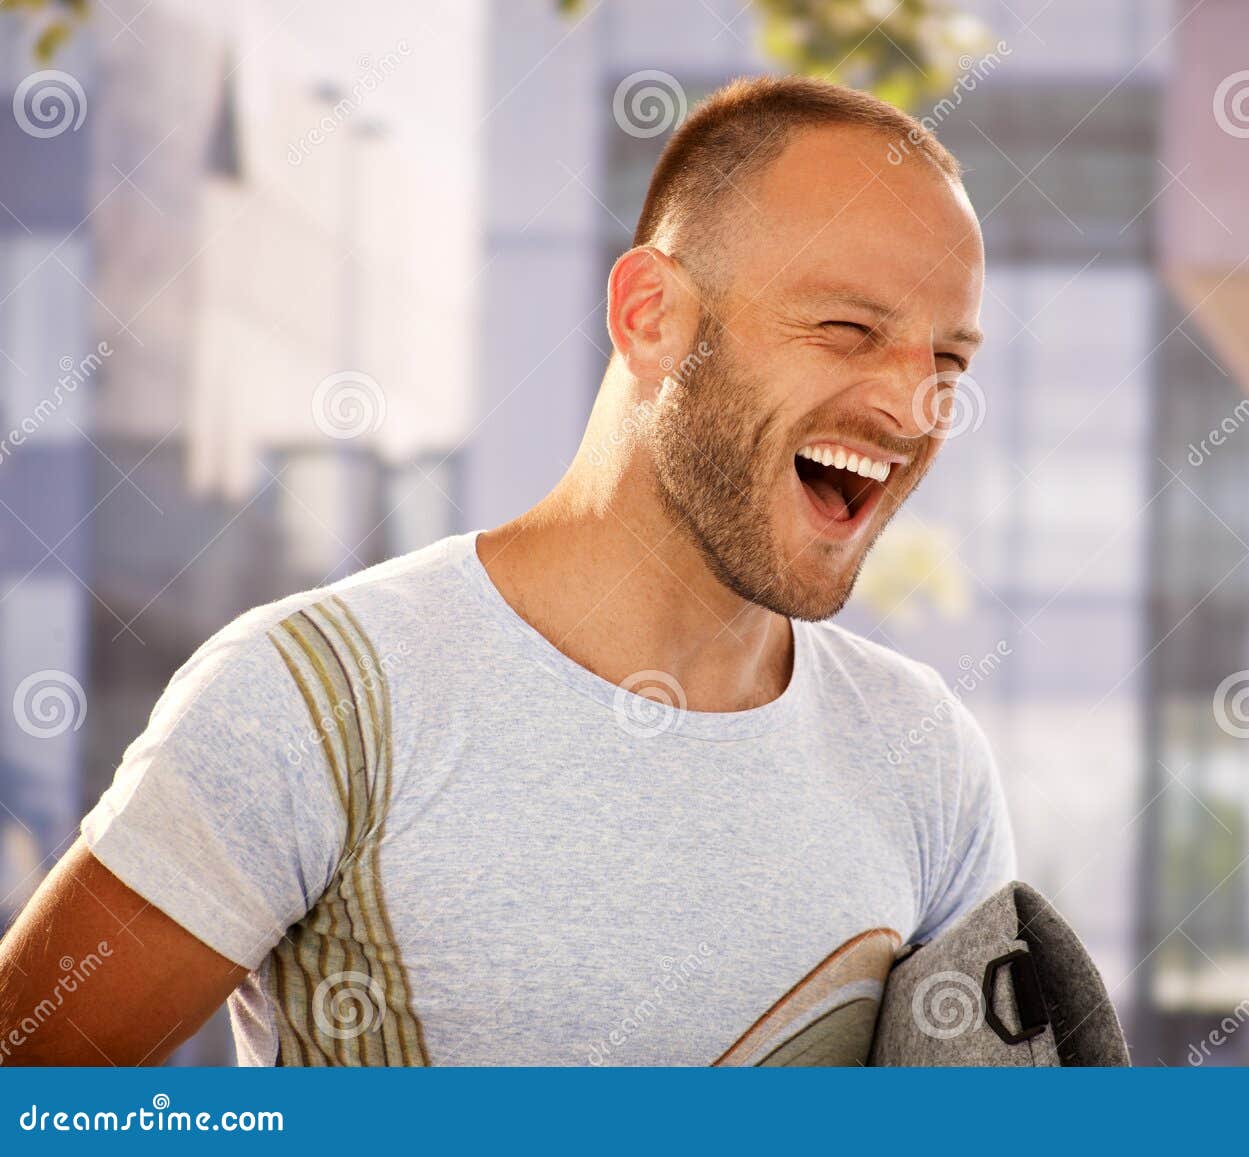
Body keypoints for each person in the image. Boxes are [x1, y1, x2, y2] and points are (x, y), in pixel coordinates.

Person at [0, 75, 1014, 1066]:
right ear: (651, 316)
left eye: (948, 362)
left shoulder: (924, 756)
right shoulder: (316, 700)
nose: (913, 405)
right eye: (846, 329)